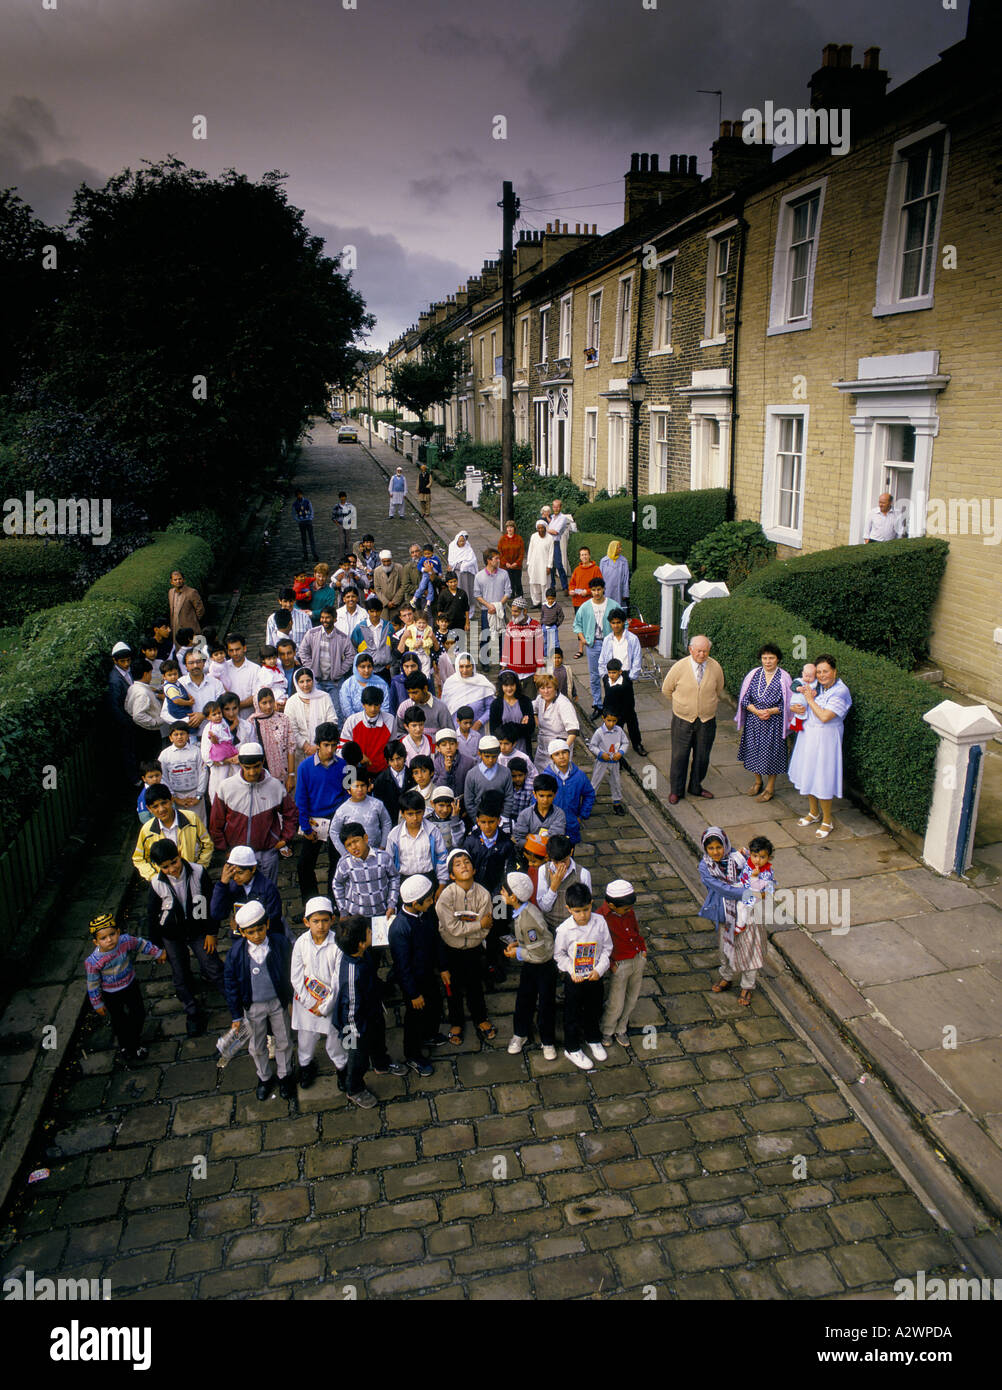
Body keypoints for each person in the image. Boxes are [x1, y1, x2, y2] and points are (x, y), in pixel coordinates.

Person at [145, 839, 222, 1037]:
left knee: (212, 966)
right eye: (165, 867)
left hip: (198, 929)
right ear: (158, 867)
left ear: (180, 853)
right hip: (171, 934)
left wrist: (211, 933)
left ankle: (236, 1000)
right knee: (180, 975)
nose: (172, 869)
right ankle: (193, 1012)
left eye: (174, 862)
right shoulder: (156, 884)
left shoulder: (198, 872)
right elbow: (152, 916)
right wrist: (157, 947)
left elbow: (211, 904)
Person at [224, 901, 296, 1101]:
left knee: (284, 1040)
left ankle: (285, 1074)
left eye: (260, 929)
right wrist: (236, 1015)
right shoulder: (236, 953)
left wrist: (291, 999)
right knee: (256, 1045)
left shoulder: (279, 944)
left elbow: (291, 971)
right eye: (250, 932)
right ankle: (264, 1077)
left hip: (277, 1002)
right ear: (242, 932)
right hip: (253, 1006)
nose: (256, 936)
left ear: (267, 925)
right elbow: (230, 984)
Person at [334, 915, 407, 1108]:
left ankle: (381, 1064)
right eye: (368, 932)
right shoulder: (351, 973)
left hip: (372, 1010)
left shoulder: (362, 954)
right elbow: (350, 1007)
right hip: (355, 1025)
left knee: (378, 1039)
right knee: (357, 1057)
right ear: (359, 944)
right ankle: (354, 1088)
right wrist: (355, 1033)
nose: (372, 933)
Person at [209, 742, 298, 883]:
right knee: (239, 899)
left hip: (267, 853)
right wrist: (225, 849)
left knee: (267, 896)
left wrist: (284, 839)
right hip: (236, 855)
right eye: (247, 768)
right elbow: (216, 823)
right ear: (240, 765)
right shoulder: (226, 787)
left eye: (256, 766)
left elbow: (291, 814)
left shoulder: (275, 786)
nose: (252, 772)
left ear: (262, 762)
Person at [85, 912, 164, 1064]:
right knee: (119, 1020)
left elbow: (141, 944)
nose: (109, 940)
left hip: (130, 985)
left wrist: (157, 952)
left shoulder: (125, 942)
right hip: (111, 994)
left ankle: (134, 1040)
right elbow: (92, 983)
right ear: (96, 942)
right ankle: (126, 1046)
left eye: (112, 934)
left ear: (118, 932)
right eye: (103, 938)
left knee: (138, 1013)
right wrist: (97, 1002)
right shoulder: (93, 961)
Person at [788, 655, 852, 840]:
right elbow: (799, 701)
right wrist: (796, 708)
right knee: (808, 773)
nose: (822, 675)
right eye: (819, 672)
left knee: (823, 777)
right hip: (809, 735)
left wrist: (809, 700)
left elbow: (825, 716)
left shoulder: (840, 691)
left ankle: (827, 820)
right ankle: (813, 812)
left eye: (826, 671)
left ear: (834, 671)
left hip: (826, 739)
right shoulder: (817, 685)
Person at [435, 848, 495, 1045]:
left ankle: (481, 1018)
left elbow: (487, 928)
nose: (464, 866)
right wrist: (477, 923)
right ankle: (456, 1022)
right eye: (458, 864)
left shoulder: (484, 894)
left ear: (474, 869)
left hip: (474, 949)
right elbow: (451, 928)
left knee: (475, 986)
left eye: (467, 862)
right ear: (452, 874)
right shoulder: (446, 897)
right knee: (452, 987)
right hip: (450, 949)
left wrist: (468, 926)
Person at [389, 875, 445, 1075]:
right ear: (415, 903)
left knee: (435, 1005)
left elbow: (435, 940)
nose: (432, 902)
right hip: (413, 983)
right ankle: (412, 1054)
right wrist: (413, 994)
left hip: (428, 974)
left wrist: (443, 968)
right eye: (428, 900)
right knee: (414, 1018)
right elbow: (402, 967)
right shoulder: (400, 928)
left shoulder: (426, 914)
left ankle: (429, 1034)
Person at [554, 881, 613, 1071]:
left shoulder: (600, 922)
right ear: (569, 909)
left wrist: (600, 969)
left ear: (591, 904)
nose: (583, 915)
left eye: (586, 910)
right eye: (578, 911)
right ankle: (572, 1048)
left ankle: (592, 1037)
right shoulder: (564, 930)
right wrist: (571, 971)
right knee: (572, 1012)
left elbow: (607, 948)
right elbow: (559, 955)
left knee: (594, 1008)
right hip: (575, 979)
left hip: (595, 976)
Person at [290, 896, 347, 1090]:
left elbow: (339, 980)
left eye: (325, 920)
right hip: (307, 1004)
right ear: (306, 922)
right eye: (315, 921)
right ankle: (305, 1066)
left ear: (332, 920)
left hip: (331, 1004)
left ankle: (342, 1068)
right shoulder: (300, 943)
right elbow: (296, 977)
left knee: (336, 1040)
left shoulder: (338, 944)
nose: (320, 926)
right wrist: (309, 1003)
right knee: (306, 1039)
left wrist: (324, 1006)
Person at [661, 634, 725, 803]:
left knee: (702, 756)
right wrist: (682, 705)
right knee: (679, 756)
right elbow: (667, 690)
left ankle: (696, 786)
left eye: (705, 651)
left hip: (706, 720)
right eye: (698, 651)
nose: (702, 655)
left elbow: (719, 689)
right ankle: (676, 790)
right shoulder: (679, 667)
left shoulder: (715, 667)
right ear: (690, 650)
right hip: (683, 720)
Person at [502, 871, 557, 1059]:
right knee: (524, 998)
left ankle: (548, 1041)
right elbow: (531, 943)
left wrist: (516, 953)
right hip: (531, 961)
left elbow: (539, 954)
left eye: (504, 891)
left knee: (546, 1003)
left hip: (543, 965)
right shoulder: (522, 911)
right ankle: (521, 1033)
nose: (501, 894)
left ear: (513, 897)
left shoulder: (528, 920)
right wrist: (519, 944)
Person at [294, 723, 349, 903]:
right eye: (326, 745)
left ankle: (334, 902)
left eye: (334, 745)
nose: (330, 749)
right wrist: (305, 827)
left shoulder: (343, 765)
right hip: (314, 820)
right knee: (304, 865)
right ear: (318, 744)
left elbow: (348, 795)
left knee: (336, 862)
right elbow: (301, 799)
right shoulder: (304, 767)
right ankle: (311, 902)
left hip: (336, 819)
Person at [736, 643, 792, 803]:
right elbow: (744, 698)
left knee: (771, 754)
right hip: (755, 721)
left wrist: (770, 711)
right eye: (765, 658)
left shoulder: (784, 677)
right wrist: (756, 711)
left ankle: (770, 788)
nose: (767, 661)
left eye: (771, 658)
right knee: (753, 751)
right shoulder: (753, 675)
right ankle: (758, 782)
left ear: (778, 659)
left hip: (773, 723)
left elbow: (788, 703)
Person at [698, 826, 748, 1004]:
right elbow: (721, 888)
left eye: (719, 847)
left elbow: (752, 870)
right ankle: (726, 976)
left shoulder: (737, 857)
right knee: (724, 946)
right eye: (711, 848)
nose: (715, 852)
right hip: (723, 910)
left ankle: (747, 986)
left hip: (745, 910)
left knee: (747, 948)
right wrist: (746, 893)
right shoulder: (705, 866)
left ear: (725, 845)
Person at [727, 835, 776, 1006]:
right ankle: (726, 976)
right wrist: (743, 852)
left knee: (751, 952)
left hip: (753, 913)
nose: (757, 860)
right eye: (756, 856)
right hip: (740, 897)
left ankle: (747, 986)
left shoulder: (767, 873)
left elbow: (764, 894)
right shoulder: (750, 861)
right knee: (728, 948)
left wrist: (755, 879)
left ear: (769, 858)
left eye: (762, 857)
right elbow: (744, 855)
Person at [133, 785, 213, 881]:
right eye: (155, 806)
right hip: (165, 882)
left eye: (164, 803)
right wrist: (155, 877)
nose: (161, 809)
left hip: (192, 877)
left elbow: (206, 844)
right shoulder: (147, 830)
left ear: (171, 800)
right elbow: (139, 858)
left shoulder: (191, 819)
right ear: (149, 809)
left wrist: (199, 868)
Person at [210, 845, 285, 940]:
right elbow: (217, 914)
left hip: (265, 938)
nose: (236, 877)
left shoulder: (268, 888)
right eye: (233, 873)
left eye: (240, 873)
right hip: (240, 939)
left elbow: (273, 920)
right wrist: (222, 884)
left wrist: (242, 928)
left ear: (253, 869)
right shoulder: (231, 886)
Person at [332, 820, 400, 922]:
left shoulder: (383, 857)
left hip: (383, 912)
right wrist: (343, 910)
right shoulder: (345, 863)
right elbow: (337, 884)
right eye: (349, 845)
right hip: (356, 915)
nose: (354, 847)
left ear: (365, 838)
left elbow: (394, 877)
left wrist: (391, 904)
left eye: (356, 841)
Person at [386, 790, 449, 887]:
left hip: (429, 878)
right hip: (404, 880)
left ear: (424, 811)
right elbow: (389, 862)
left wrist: (442, 884)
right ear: (402, 814)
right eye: (410, 814)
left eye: (418, 813)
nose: (415, 818)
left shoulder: (432, 831)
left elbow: (441, 856)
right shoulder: (394, 836)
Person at [573, 576, 614, 718]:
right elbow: (577, 624)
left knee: (611, 674)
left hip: (609, 644)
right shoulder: (585, 607)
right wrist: (583, 639)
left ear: (603, 589)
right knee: (594, 676)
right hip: (593, 644)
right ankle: (598, 704)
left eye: (599, 589)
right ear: (590, 591)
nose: (596, 592)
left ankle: (610, 703)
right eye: (594, 590)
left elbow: (623, 623)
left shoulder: (613, 605)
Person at [536, 833, 592, 932]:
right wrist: (553, 887)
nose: (560, 866)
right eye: (556, 862)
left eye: (564, 861)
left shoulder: (583, 874)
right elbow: (544, 907)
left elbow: (586, 906)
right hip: (549, 925)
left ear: (571, 852)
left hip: (574, 927)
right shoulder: (543, 870)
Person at [297, 608, 355, 705]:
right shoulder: (312, 633)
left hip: (335, 682)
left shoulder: (342, 637)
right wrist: (310, 668)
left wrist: (340, 671)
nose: (324, 620)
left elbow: (351, 656)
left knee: (336, 711)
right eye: (322, 617)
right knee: (317, 709)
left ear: (335, 619)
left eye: (327, 617)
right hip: (316, 681)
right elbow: (302, 651)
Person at [545, 738, 595, 844]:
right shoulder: (546, 777)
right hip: (550, 826)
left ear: (569, 753)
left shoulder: (579, 776)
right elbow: (536, 801)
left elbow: (589, 794)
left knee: (569, 854)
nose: (562, 757)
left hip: (571, 825)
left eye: (564, 752)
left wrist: (582, 816)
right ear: (552, 758)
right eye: (557, 754)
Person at [284, 667, 338, 766]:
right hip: (301, 752)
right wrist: (306, 747)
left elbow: (332, 721)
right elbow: (291, 728)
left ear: (313, 680)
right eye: (301, 681)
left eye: (308, 680)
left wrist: (318, 746)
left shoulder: (324, 697)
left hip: (324, 748)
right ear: (296, 683)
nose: (305, 685)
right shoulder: (291, 702)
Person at [330, 768, 392, 855]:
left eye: (362, 785)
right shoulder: (342, 810)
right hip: (354, 856)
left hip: (376, 852)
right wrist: (345, 853)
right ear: (348, 790)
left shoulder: (377, 804)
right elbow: (333, 831)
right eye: (356, 786)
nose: (360, 789)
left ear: (368, 786)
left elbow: (386, 823)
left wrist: (383, 846)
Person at [158, 721, 209, 825]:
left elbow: (203, 773)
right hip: (176, 796)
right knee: (180, 824)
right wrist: (174, 798)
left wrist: (198, 795)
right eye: (176, 734)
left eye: (182, 734)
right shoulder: (165, 755)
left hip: (194, 793)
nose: (179, 737)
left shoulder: (196, 751)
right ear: (170, 738)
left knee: (199, 823)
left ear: (188, 736)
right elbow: (163, 777)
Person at [200, 697, 250, 802]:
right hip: (220, 773)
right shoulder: (210, 728)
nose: (231, 713)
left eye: (234, 708)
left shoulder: (245, 725)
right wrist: (227, 760)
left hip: (239, 772)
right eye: (227, 709)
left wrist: (239, 757)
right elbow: (207, 757)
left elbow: (252, 749)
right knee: (220, 801)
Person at [601, 648, 647, 757]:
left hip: (628, 709)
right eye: (610, 673)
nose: (611, 675)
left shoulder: (626, 681)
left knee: (633, 728)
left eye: (614, 673)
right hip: (614, 712)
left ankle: (637, 744)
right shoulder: (606, 680)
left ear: (620, 672)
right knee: (615, 731)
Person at [250, 687, 297, 792]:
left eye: (271, 701)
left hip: (283, 776)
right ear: (257, 704)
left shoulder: (283, 719)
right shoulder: (251, 723)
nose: (269, 706)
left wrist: (291, 775)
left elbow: (291, 747)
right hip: (261, 776)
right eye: (264, 703)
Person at [341, 687, 395, 776]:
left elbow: (393, 747)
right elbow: (341, 748)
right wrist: (358, 756)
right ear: (363, 705)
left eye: (376, 705)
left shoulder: (390, 720)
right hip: (353, 770)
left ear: (381, 704)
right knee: (347, 788)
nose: (373, 709)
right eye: (369, 705)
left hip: (382, 771)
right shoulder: (352, 720)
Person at [531, 672, 579, 770]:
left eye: (549, 688)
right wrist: (538, 723)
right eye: (542, 688)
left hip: (558, 747)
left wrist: (562, 750)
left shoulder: (563, 704)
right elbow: (532, 709)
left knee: (557, 777)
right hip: (542, 747)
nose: (546, 691)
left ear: (555, 688)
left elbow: (573, 730)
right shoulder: (540, 699)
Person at [463, 735, 515, 822]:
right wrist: (478, 821)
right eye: (487, 756)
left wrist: (504, 819)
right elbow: (469, 801)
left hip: (500, 819)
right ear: (479, 754)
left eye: (494, 756)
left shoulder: (506, 772)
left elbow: (509, 798)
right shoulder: (472, 774)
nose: (490, 760)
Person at [473, 549, 512, 666]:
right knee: (486, 636)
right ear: (489, 560)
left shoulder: (504, 574)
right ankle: (484, 662)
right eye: (496, 558)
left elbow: (508, 592)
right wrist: (489, 605)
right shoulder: (479, 576)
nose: (499, 561)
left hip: (500, 610)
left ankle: (503, 663)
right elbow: (477, 595)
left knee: (502, 637)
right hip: (487, 611)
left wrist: (498, 605)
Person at [589, 709, 628, 816]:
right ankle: (589, 802)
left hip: (614, 761)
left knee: (616, 781)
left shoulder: (619, 731)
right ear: (604, 718)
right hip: (602, 761)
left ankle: (617, 803)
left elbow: (625, 743)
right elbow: (592, 746)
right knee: (595, 781)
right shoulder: (599, 732)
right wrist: (601, 753)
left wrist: (620, 752)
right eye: (609, 720)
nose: (611, 723)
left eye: (614, 721)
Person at [512, 771, 566, 848]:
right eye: (541, 796)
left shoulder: (559, 814)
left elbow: (555, 840)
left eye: (549, 796)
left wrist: (530, 837)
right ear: (535, 794)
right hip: (529, 856)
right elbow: (519, 838)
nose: (545, 800)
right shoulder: (525, 814)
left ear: (555, 795)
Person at [440, 653, 494, 728]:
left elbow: (491, 707)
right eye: (461, 667)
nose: (464, 670)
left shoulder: (481, 682)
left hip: (477, 731)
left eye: (468, 666)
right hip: (455, 731)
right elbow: (444, 710)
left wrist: (480, 722)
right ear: (457, 667)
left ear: (473, 666)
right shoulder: (450, 683)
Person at [124, 659, 163, 762]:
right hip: (148, 732)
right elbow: (138, 715)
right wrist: (154, 722)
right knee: (151, 759)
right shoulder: (143, 692)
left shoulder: (133, 687)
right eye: (150, 673)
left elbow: (127, 707)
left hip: (140, 730)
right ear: (146, 674)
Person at [489, 669, 535, 757]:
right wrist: (519, 726)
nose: (509, 689)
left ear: (516, 685)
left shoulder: (525, 701)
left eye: (512, 685)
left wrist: (506, 728)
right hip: (504, 751)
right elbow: (494, 731)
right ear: (501, 686)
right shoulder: (496, 704)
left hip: (523, 749)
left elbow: (530, 728)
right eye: (506, 685)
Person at [501, 597, 546, 687]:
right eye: (512, 611)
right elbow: (506, 648)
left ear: (524, 611)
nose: (513, 614)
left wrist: (539, 671)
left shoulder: (536, 626)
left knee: (530, 700)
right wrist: (503, 668)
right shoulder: (510, 626)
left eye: (516, 611)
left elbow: (539, 650)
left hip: (530, 674)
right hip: (513, 673)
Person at [179, 646, 225, 731]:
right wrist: (188, 720)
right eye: (191, 663)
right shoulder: (179, 684)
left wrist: (204, 715)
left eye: (198, 662)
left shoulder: (216, 683)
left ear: (204, 663)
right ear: (185, 666)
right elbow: (165, 713)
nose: (195, 665)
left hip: (214, 735)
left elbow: (223, 706)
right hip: (187, 737)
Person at [352, 596, 396, 677]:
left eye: (377, 611)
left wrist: (391, 662)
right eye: (372, 611)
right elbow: (353, 647)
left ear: (381, 611)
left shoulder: (388, 627)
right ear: (367, 611)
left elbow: (394, 646)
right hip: (366, 670)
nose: (375, 614)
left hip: (385, 669)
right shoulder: (360, 628)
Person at [339, 653, 390, 722]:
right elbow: (347, 709)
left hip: (379, 723)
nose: (366, 670)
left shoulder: (381, 683)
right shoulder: (348, 685)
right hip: (354, 723)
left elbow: (385, 707)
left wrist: (374, 721)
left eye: (369, 666)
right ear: (356, 667)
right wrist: (362, 724)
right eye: (362, 667)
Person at [221, 634, 263, 718]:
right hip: (227, 719)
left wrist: (236, 706)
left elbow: (257, 695)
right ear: (228, 652)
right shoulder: (222, 668)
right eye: (231, 650)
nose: (235, 653)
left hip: (249, 718)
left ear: (244, 648)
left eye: (237, 649)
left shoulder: (255, 669)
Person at [371, 740, 413, 823]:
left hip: (411, 820)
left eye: (398, 759)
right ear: (387, 761)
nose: (396, 763)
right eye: (392, 760)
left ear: (404, 757)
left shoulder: (413, 775)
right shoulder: (380, 780)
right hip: (390, 822)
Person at [569, 546, 602, 646]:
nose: (584, 556)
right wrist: (571, 590)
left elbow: (599, 585)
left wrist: (587, 592)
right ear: (580, 557)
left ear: (589, 556)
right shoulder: (577, 570)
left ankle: (594, 643)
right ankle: (580, 648)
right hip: (578, 601)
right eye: (582, 555)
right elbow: (572, 584)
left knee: (592, 623)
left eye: (586, 554)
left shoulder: (596, 569)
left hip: (591, 601)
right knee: (580, 625)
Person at [433, 570, 471, 655]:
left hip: (460, 623)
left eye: (454, 581)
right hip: (448, 624)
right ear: (447, 583)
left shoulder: (462, 593)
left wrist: (467, 623)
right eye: (450, 582)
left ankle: (460, 661)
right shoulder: (443, 594)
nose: (453, 584)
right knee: (449, 644)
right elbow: (440, 611)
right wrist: (442, 624)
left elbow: (466, 609)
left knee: (460, 644)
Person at [432, 728, 474, 798]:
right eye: (444, 745)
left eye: (452, 744)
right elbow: (437, 787)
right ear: (438, 748)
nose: (448, 747)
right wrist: (446, 770)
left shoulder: (469, 762)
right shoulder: (436, 764)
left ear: (457, 745)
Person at [168, 569, 205, 644]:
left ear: (184, 580)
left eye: (180, 579)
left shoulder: (191, 592)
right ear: (171, 582)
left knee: (196, 652)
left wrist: (192, 621)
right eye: (175, 580)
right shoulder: (171, 592)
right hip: (176, 630)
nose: (178, 581)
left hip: (191, 629)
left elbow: (200, 610)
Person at [525, 520, 554, 608]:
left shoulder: (550, 538)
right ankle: (536, 602)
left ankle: (544, 602)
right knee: (534, 584)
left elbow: (551, 553)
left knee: (544, 584)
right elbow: (530, 549)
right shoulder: (533, 536)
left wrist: (549, 566)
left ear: (545, 528)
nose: (540, 530)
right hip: (534, 564)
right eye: (539, 528)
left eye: (542, 528)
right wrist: (528, 562)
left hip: (544, 565)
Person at [546, 498, 572, 593]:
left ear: (560, 507)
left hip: (555, 543)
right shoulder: (553, 517)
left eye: (557, 507)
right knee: (550, 564)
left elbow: (555, 531)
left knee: (558, 565)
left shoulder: (563, 518)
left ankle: (565, 586)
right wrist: (547, 518)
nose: (555, 508)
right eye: (554, 507)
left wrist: (545, 529)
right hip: (548, 544)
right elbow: (551, 525)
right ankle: (552, 585)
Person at [447, 530, 479, 605]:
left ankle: (469, 608)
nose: (462, 543)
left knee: (468, 590)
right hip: (457, 573)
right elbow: (451, 561)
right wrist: (458, 565)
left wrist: (464, 565)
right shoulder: (452, 547)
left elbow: (473, 560)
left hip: (467, 574)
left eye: (463, 541)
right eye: (460, 541)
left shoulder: (468, 548)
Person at [374, 550, 406, 622]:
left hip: (397, 604)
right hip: (384, 606)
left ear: (391, 560)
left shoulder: (399, 568)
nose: (386, 563)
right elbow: (377, 589)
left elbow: (403, 586)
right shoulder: (377, 571)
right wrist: (386, 602)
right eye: (384, 561)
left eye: (388, 561)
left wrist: (395, 601)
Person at [497, 519, 525, 600]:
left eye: (511, 527)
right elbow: (500, 553)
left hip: (516, 565)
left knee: (517, 582)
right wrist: (506, 563)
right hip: (506, 566)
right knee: (508, 582)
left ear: (514, 528)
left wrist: (516, 563)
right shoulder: (502, 539)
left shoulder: (519, 539)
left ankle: (520, 596)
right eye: (508, 527)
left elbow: (522, 553)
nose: (509, 529)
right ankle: (510, 595)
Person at [788, 662, 818, 736]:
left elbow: (817, 689)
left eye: (811, 676)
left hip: (807, 702)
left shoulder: (815, 683)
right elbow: (792, 687)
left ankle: (795, 725)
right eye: (806, 676)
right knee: (800, 711)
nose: (808, 678)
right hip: (798, 700)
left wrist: (815, 692)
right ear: (802, 673)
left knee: (802, 712)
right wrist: (798, 688)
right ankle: (796, 725)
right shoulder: (799, 681)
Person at [600, 540, 629, 611]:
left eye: (620, 547)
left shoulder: (624, 561)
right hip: (607, 592)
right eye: (618, 547)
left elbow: (626, 578)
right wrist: (600, 591)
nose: (620, 549)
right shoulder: (603, 561)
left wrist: (625, 593)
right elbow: (600, 578)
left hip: (619, 592)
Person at [292, 488, 319, 561]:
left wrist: (311, 518)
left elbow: (311, 510)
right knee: (304, 539)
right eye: (298, 495)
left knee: (311, 538)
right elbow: (294, 514)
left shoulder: (307, 501)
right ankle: (305, 555)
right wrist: (298, 520)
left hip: (308, 521)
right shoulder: (295, 504)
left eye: (300, 494)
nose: (299, 496)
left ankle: (314, 555)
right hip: (301, 522)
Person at [540, 588, 563, 661]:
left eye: (552, 599)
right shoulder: (544, 606)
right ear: (546, 598)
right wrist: (541, 624)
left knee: (555, 642)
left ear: (555, 598)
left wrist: (557, 624)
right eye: (549, 599)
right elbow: (542, 616)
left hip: (553, 626)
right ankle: (545, 655)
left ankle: (557, 654)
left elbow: (561, 616)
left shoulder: (557, 607)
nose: (550, 601)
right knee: (545, 641)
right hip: (544, 626)